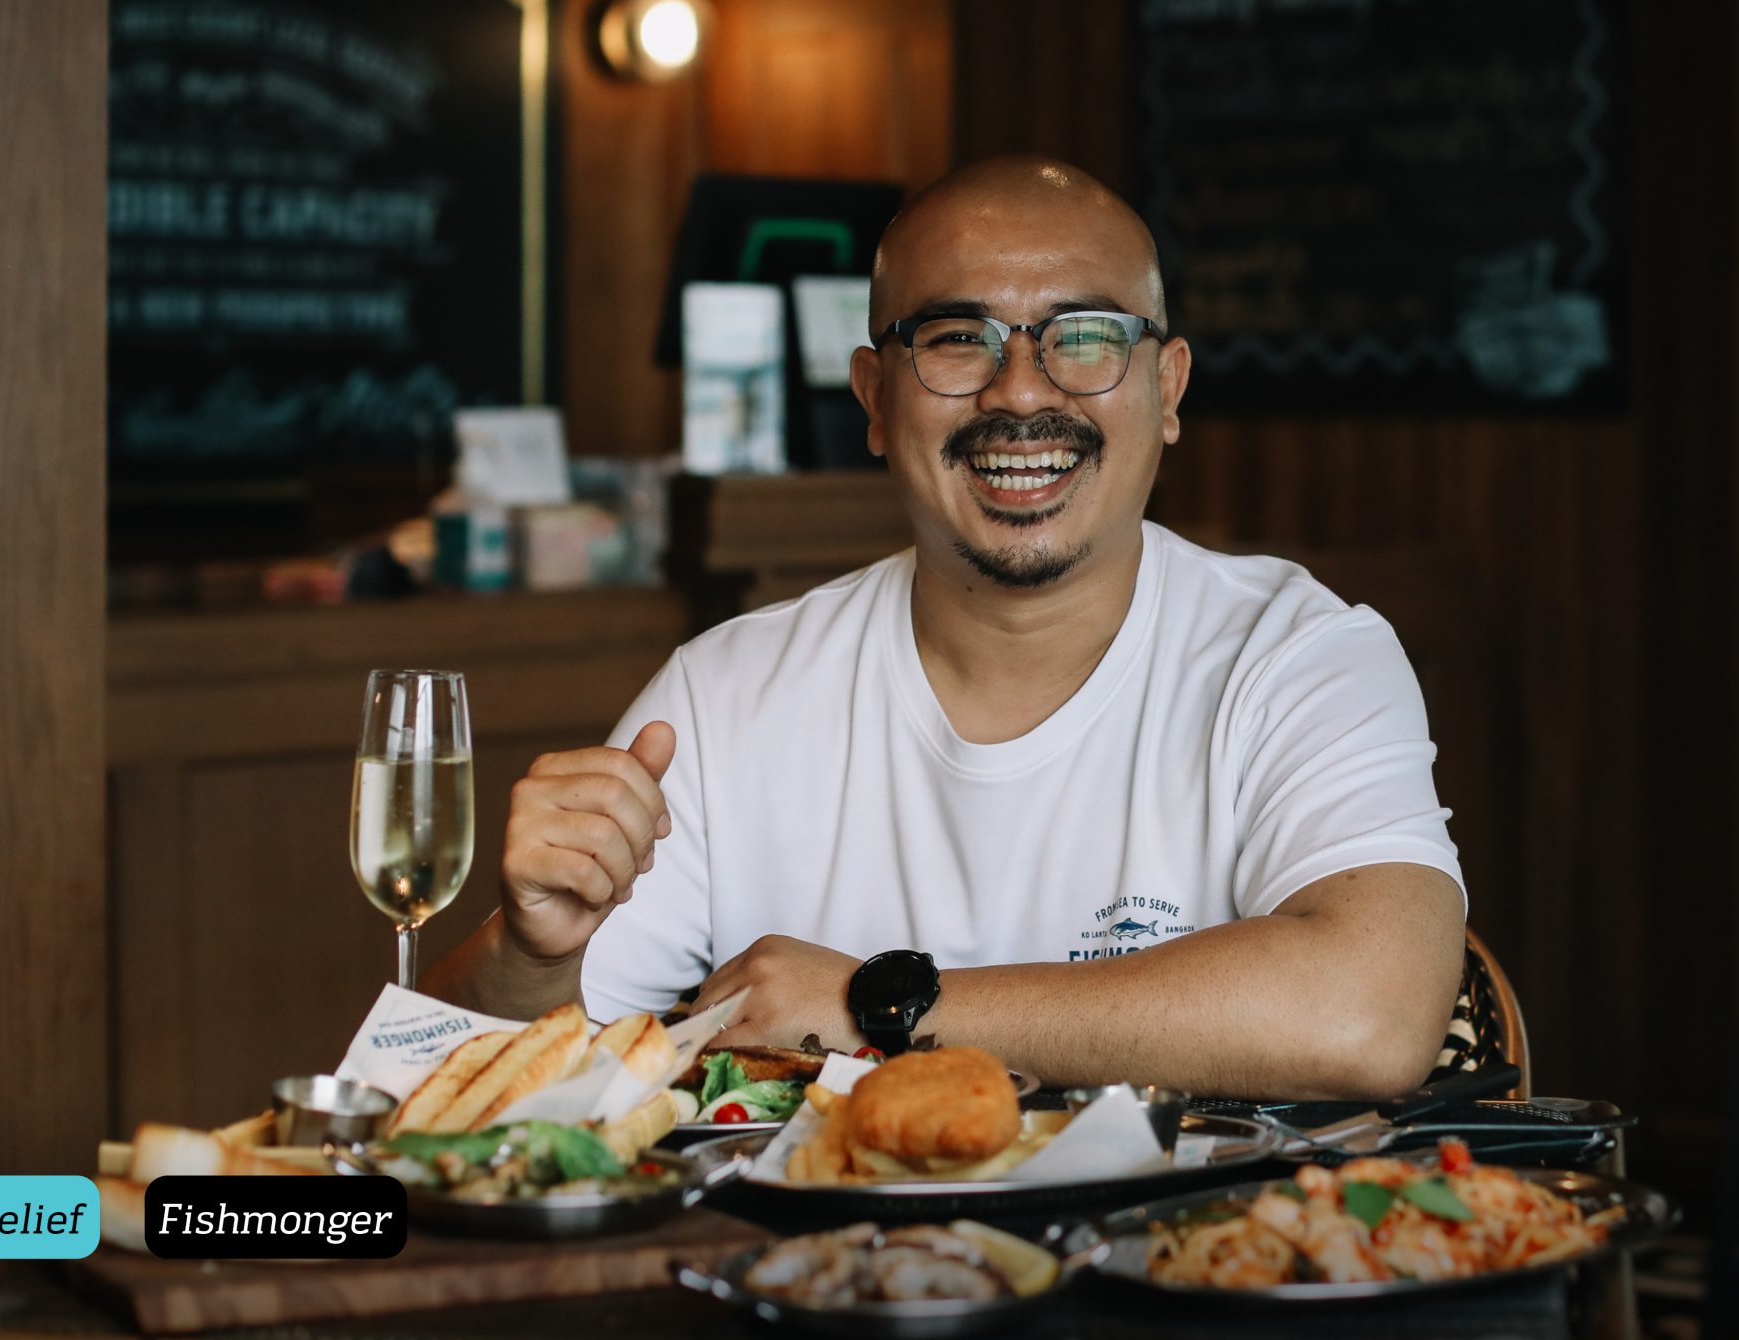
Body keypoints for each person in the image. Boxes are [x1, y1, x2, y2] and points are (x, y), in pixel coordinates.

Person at [425, 156, 1466, 1100]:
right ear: (876, 400)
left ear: (1168, 386)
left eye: (1087, 336)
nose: (1020, 392)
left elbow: (1369, 1014)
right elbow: (430, 1094)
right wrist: (532, 950)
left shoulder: (1295, 655)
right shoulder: (724, 694)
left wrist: (880, 1007)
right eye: (957, 339)